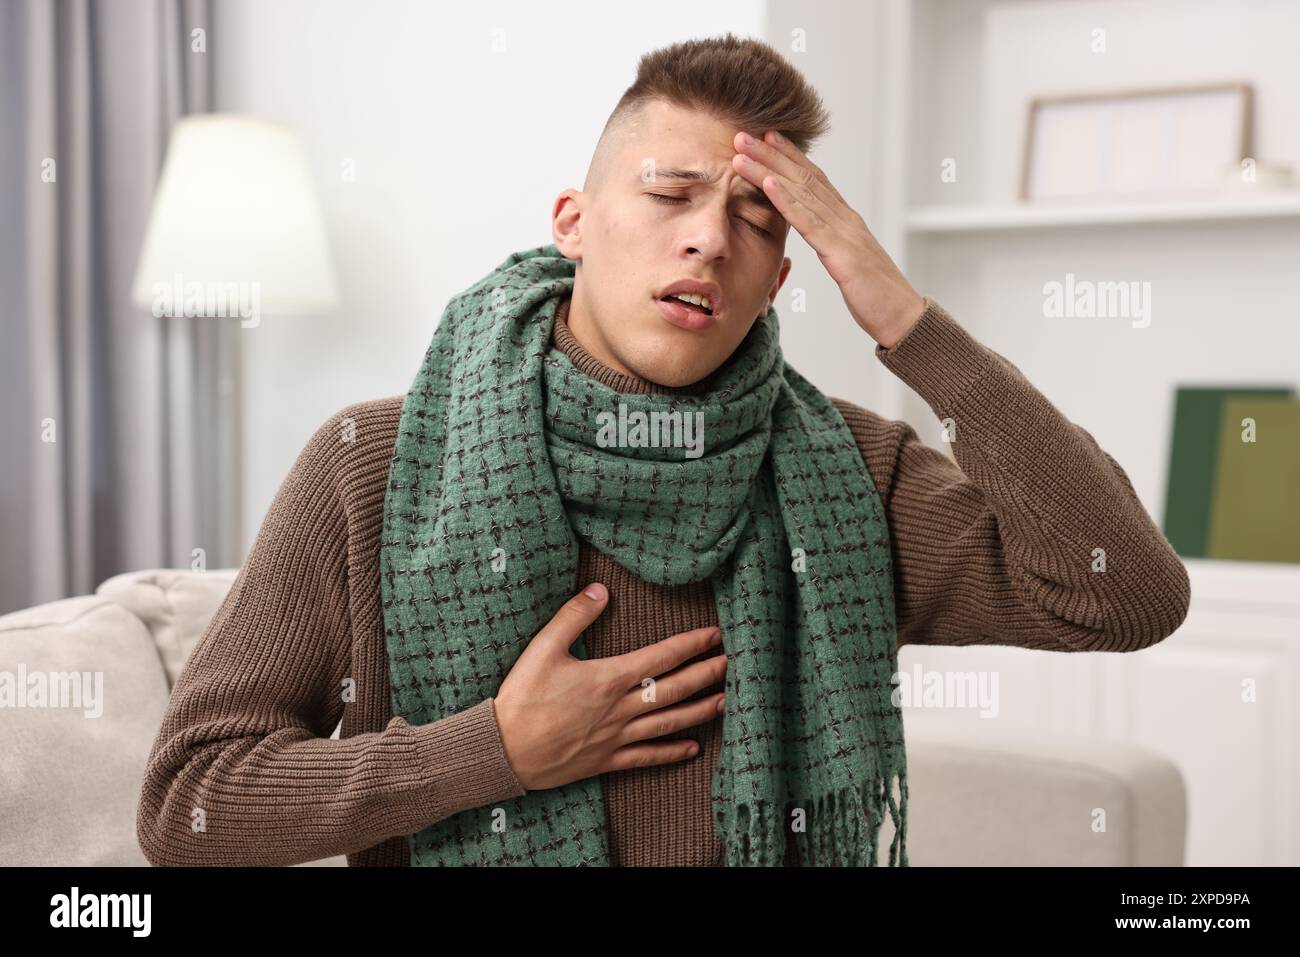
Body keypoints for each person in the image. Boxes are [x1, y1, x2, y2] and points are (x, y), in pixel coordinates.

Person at [136, 34, 1190, 868]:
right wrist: (493, 752)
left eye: (757, 218)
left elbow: (1126, 594)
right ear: (575, 220)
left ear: (782, 277)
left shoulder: (851, 474)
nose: (709, 238)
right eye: (669, 193)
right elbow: (191, 807)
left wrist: (906, 320)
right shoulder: (374, 463)